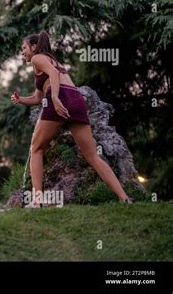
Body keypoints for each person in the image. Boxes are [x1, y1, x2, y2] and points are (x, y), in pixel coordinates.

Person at [11, 31, 133, 207]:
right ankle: (124, 198)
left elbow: (52, 75)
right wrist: (20, 99)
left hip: (60, 97)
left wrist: (54, 98)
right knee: (92, 155)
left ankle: (37, 201)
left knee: (36, 148)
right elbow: (37, 98)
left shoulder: (38, 58)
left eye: (23, 48)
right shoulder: (53, 60)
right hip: (76, 99)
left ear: (34, 47)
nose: (22, 52)